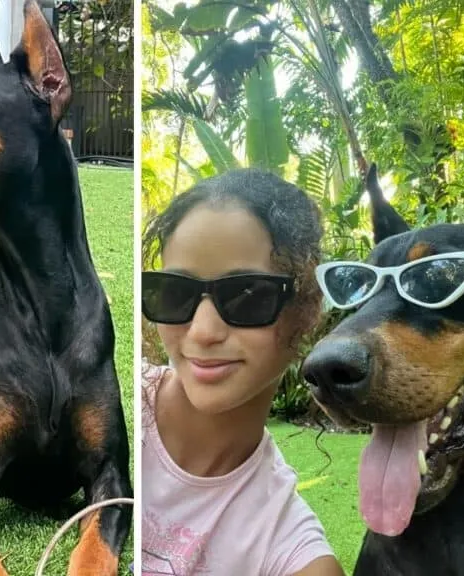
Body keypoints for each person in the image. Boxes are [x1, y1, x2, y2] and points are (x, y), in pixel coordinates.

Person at [140, 168, 344, 575]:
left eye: (247, 295)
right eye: (175, 293)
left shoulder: (288, 547)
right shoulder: (121, 414)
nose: (202, 331)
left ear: (306, 309)